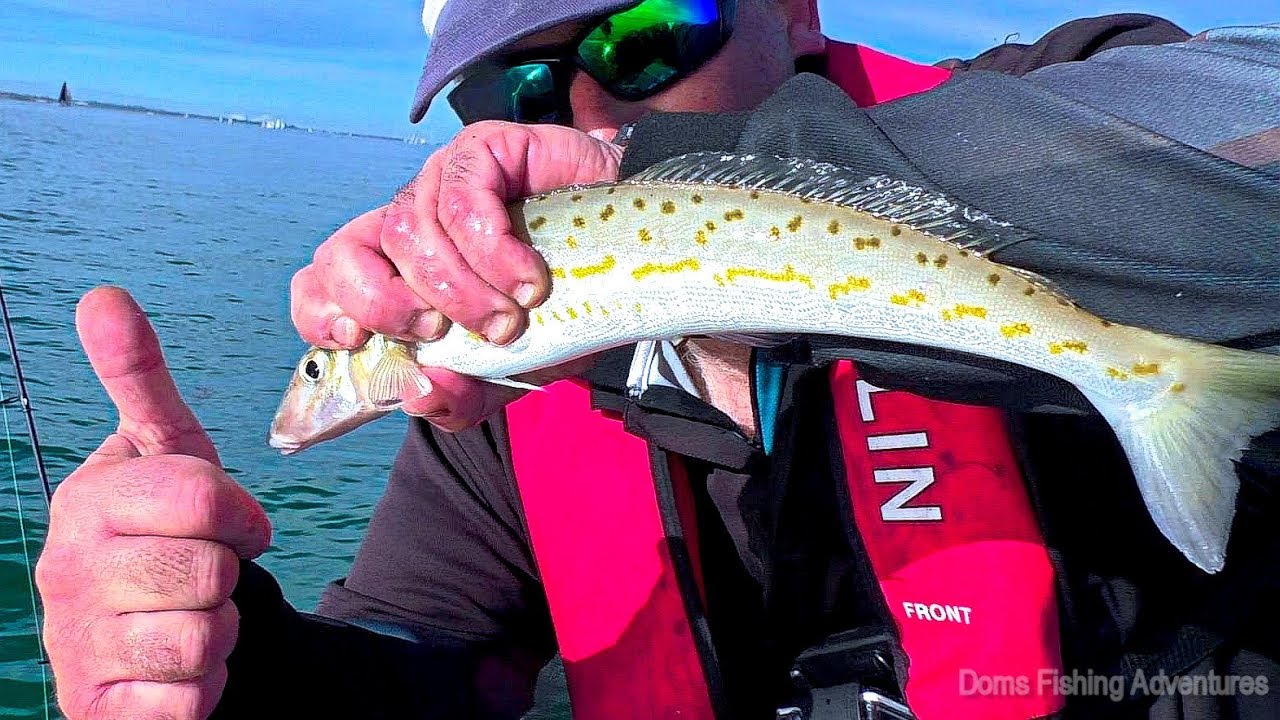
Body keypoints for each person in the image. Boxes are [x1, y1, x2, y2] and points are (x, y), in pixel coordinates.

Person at [35, 1, 1280, 718]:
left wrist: (692, 186)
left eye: (645, 35)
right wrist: (233, 659)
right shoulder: (496, 395)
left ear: (792, 11)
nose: (581, 108)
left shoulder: (1051, 99)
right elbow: (419, 659)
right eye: (507, 86)